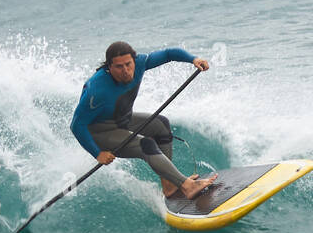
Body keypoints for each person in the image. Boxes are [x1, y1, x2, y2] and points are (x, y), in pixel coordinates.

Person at [69, 41, 217, 198]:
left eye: (128, 64)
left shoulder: (141, 63)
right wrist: (97, 153)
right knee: (146, 144)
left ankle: (170, 186)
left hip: (122, 121)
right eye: (119, 67)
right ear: (109, 67)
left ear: (134, 60)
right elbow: (77, 125)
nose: (126, 71)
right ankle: (187, 186)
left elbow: (168, 54)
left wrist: (193, 59)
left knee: (161, 124)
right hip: (100, 133)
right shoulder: (96, 89)